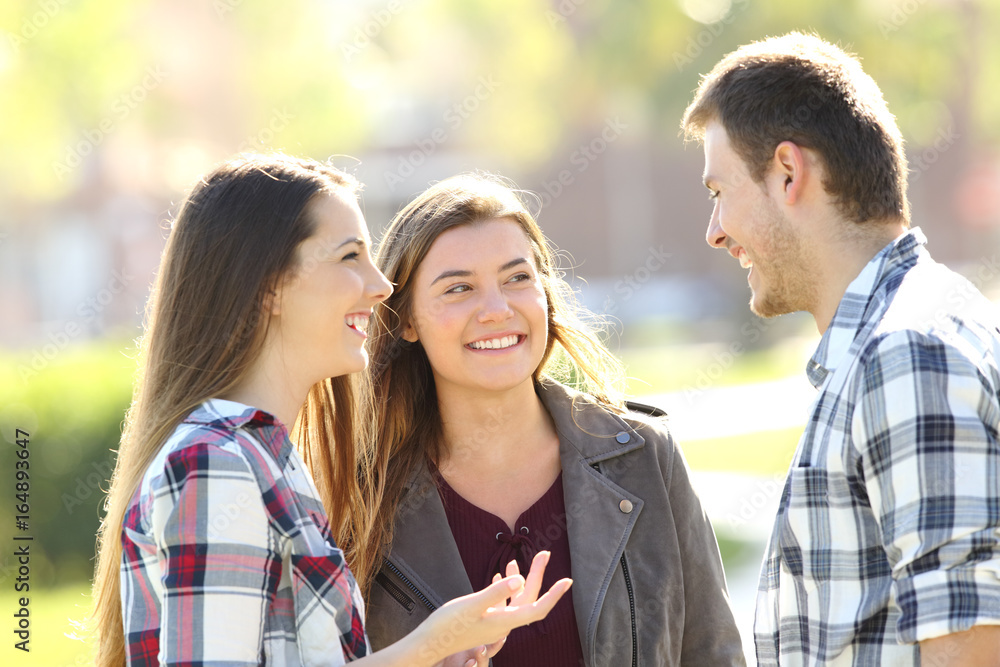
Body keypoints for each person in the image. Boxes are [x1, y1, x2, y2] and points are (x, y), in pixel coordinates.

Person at [89, 154, 571, 667]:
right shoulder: (217, 465)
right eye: (349, 258)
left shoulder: (268, 459)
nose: (382, 285)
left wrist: (436, 655)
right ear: (269, 285)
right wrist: (425, 643)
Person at [681, 32, 1000, 666]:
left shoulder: (905, 355)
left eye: (719, 193)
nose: (714, 232)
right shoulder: (912, 329)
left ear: (788, 172)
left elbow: (971, 646)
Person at [349, 173, 746, 666]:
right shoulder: (360, 493)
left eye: (518, 278)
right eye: (458, 288)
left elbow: (714, 653)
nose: (496, 309)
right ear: (406, 320)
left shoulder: (646, 456)